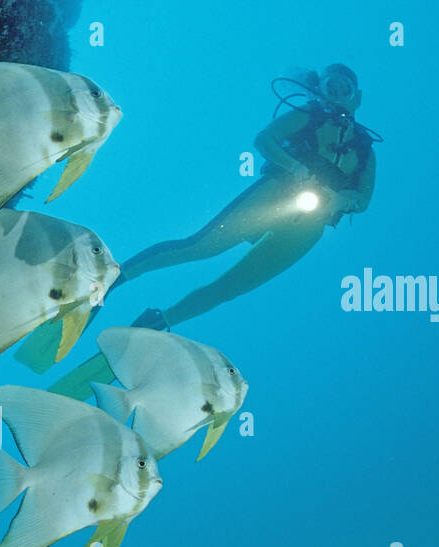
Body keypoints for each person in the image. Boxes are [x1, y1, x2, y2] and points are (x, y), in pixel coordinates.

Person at [48, 64, 378, 399]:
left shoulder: (366, 149)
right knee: (200, 247)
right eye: (331, 87)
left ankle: (159, 323)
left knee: (231, 287)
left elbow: (363, 198)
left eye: (344, 89)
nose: (336, 94)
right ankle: (113, 278)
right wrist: (294, 166)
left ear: (357, 97)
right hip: (277, 195)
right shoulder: (307, 116)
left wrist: (342, 200)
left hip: (310, 226)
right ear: (320, 89)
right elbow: (264, 139)